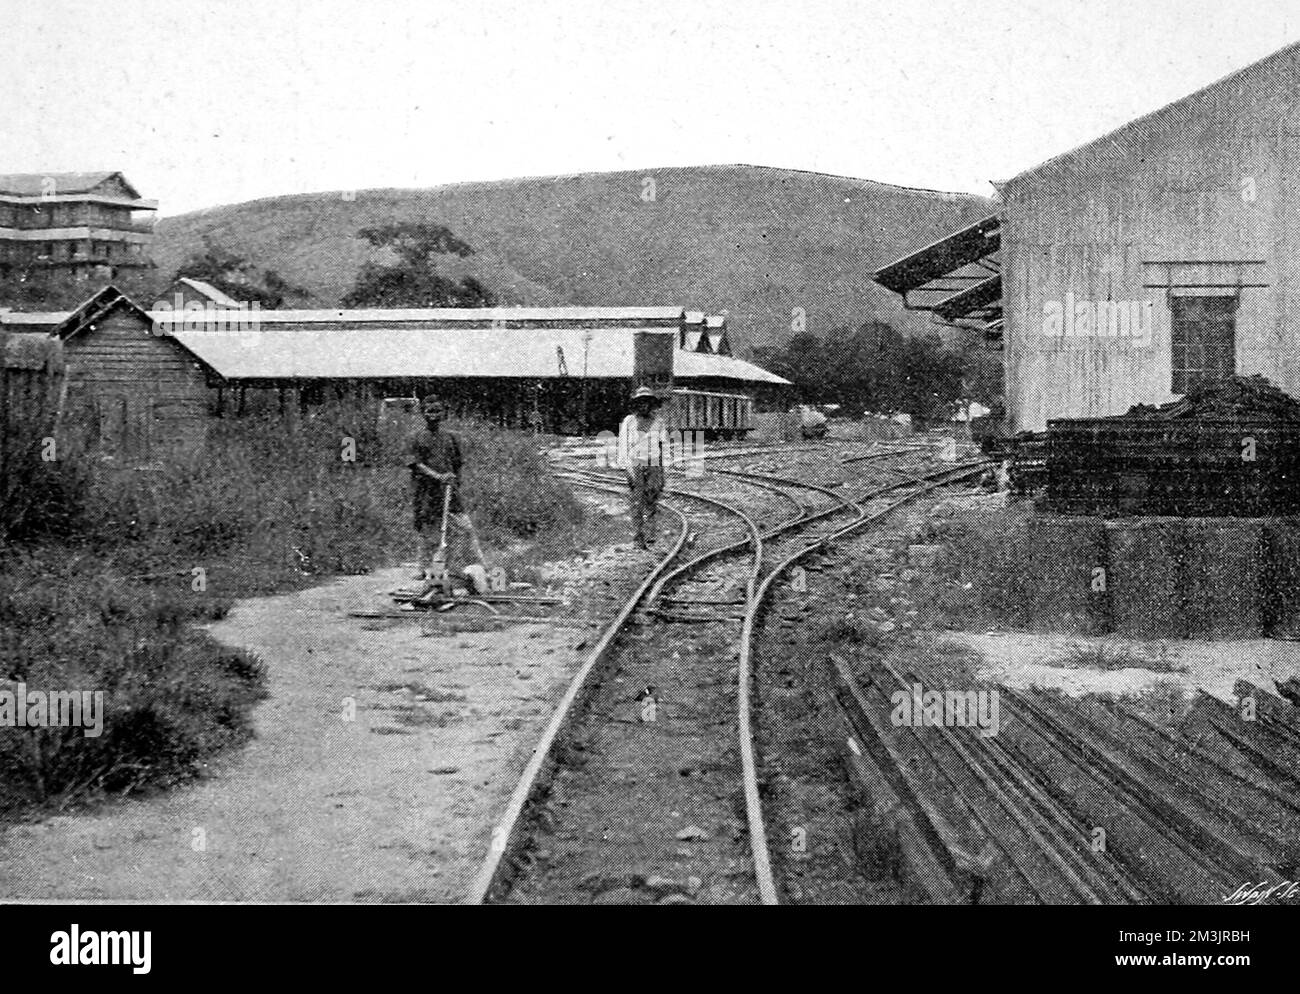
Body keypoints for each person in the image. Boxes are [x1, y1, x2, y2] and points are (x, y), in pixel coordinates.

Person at [406, 396, 485, 583]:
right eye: (429, 411)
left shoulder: (451, 437)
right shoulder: (416, 437)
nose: (433, 415)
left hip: (450, 490)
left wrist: (455, 481)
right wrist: (438, 477)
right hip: (426, 491)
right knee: (427, 530)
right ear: (423, 413)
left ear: (443, 413)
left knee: (465, 528)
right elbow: (416, 464)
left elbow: (457, 464)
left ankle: (480, 566)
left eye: (437, 411)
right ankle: (423, 568)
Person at [616, 386, 671, 549]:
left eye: (647, 403)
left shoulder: (659, 422)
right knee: (637, 501)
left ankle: (651, 534)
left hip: (654, 464)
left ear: (651, 405)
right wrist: (627, 467)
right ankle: (638, 536)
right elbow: (623, 445)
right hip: (635, 464)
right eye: (641, 403)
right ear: (636, 405)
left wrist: (662, 470)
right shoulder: (629, 421)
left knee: (652, 499)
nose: (644, 406)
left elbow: (663, 447)